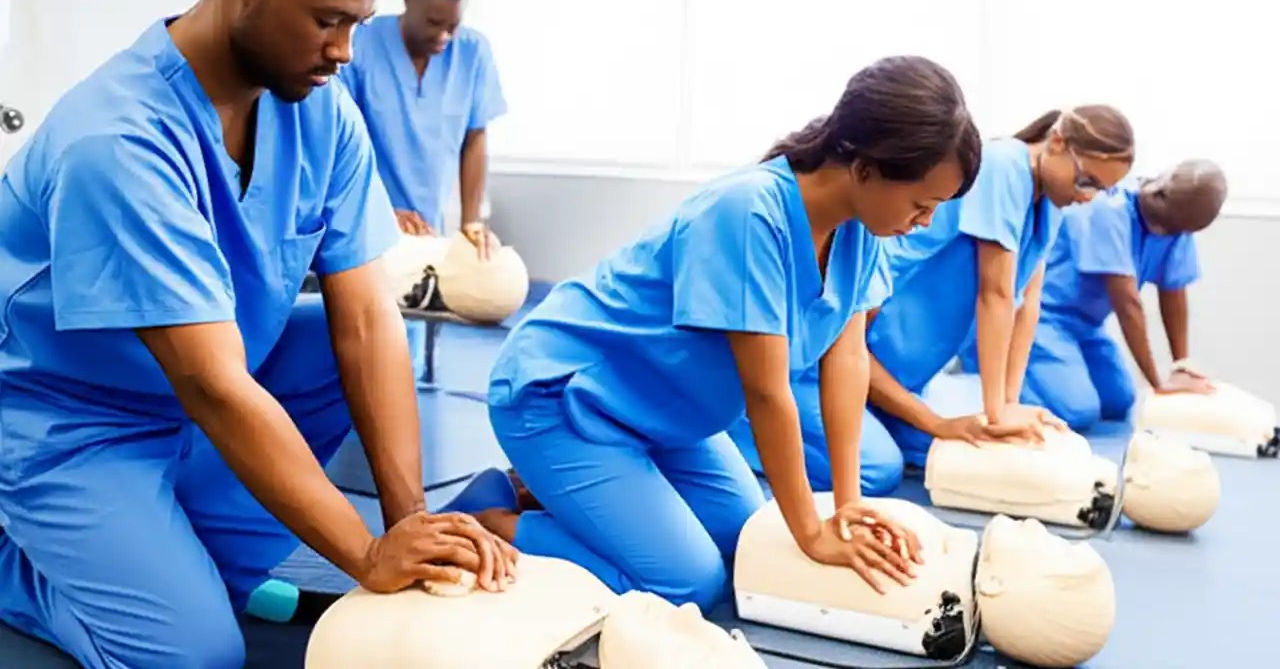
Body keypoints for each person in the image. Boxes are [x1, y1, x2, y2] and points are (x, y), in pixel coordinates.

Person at [0, 0, 515, 667]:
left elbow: (367, 321)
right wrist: (367, 553)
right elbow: (212, 384)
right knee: (197, 654)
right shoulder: (116, 140)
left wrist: (410, 523)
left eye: (357, 25)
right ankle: (19, 564)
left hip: (199, 400)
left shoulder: (320, 110)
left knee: (337, 348)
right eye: (326, 21)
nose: (343, 52)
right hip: (77, 425)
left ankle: (176, 539)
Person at [478, 55, 983, 613]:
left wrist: (846, 504)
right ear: (866, 169)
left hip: (667, 414)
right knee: (689, 583)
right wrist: (812, 535)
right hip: (564, 397)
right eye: (921, 204)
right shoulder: (748, 213)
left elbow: (847, 361)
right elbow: (768, 396)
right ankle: (491, 521)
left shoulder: (861, 234)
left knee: (742, 539)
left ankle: (555, 493)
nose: (927, 222)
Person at [860, 106, 1136, 469]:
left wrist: (1008, 403)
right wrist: (996, 413)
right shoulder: (1002, 165)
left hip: (907, 375)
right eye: (1087, 182)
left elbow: (1027, 305)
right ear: (1056, 143)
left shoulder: (1050, 203)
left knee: (949, 455)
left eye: (1102, 189)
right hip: (864, 351)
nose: (1088, 197)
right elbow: (996, 294)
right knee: (880, 469)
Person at [959, 160, 1227, 429]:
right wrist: (1158, 384)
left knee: (1119, 400)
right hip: (1045, 318)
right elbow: (1127, 303)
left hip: (1087, 327)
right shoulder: (1109, 207)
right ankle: (980, 359)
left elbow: (1173, 291)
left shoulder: (1178, 224)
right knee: (1078, 411)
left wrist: (1181, 365)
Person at [339, 0, 504, 247]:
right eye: (433, 22)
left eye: (452, 26)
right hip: (368, 224)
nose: (443, 36)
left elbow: (475, 137)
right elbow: (339, 142)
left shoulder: (472, 52)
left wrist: (471, 223)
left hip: (432, 231)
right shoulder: (361, 45)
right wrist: (379, 211)